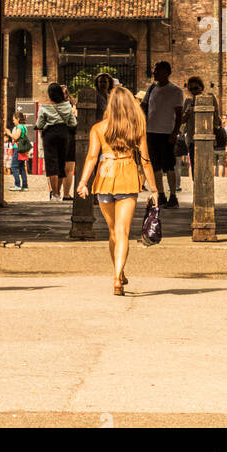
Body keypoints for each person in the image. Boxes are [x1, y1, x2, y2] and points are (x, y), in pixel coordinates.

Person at [77, 85, 157, 296]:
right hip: (127, 176)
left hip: (104, 176)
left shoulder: (98, 128)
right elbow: (146, 161)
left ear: (110, 106)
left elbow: (92, 158)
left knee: (113, 232)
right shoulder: (137, 127)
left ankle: (118, 273)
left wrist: (83, 182)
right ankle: (117, 278)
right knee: (123, 233)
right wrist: (154, 188)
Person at [140, 60, 183, 207]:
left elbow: (179, 114)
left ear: (166, 72)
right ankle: (161, 194)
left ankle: (173, 195)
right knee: (155, 165)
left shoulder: (176, 91)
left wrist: (174, 133)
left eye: (157, 70)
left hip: (167, 132)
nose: (154, 72)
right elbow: (143, 106)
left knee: (169, 165)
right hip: (151, 131)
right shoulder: (152, 88)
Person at [35, 83, 77, 200]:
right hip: (64, 135)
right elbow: (73, 123)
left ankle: (54, 194)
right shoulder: (67, 106)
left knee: (51, 165)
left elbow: (39, 124)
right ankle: (60, 192)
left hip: (49, 136)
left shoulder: (44, 107)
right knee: (62, 165)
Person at [181, 75, 222, 176]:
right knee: (195, 167)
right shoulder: (188, 101)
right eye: (190, 89)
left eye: (196, 88)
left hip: (207, 138)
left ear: (202, 87)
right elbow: (182, 121)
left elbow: (217, 118)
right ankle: (196, 189)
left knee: (206, 166)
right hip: (191, 138)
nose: (194, 91)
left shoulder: (210, 98)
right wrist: (187, 113)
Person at [5, 109, 31, 191]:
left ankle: (17, 184)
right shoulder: (24, 127)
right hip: (22, 149)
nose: (13, 122)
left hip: (17, 149)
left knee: (14, 167)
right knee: (22, 167)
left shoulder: (19, 127)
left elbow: (16, 137)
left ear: (18, 119)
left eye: (14, 120)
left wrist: (9, 133)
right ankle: (25, 185)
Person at [61, 86, 79, 199]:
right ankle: (66, 194)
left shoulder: (52, 106)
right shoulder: (71, 106)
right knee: (68, 169)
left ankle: (56, 193)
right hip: (68, 138)